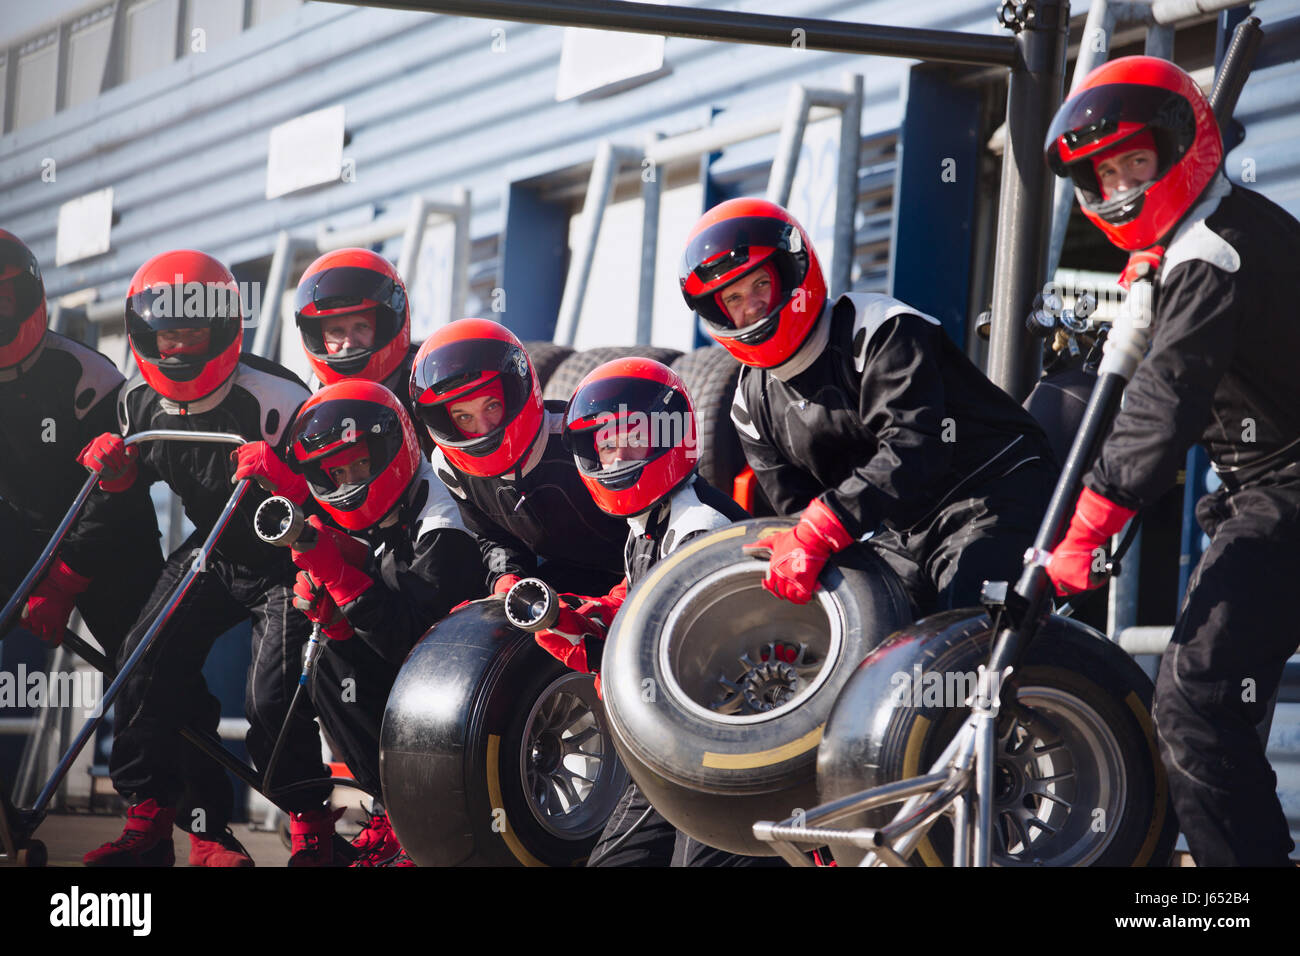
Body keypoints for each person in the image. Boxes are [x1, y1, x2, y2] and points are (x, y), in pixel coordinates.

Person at [1043, 56, 1300, 866]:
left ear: (1179, 148)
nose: (1119, 183)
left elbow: (1167, 402)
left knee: (1194, 702)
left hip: (1287, 488)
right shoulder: (1213, 233)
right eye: (1105, 172)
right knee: (1220, 701)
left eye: (1135, 163)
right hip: (1265, 487)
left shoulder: (1209, 253)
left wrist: (1090, 518)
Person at [74, 249, 337, 867]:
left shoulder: (279, 397)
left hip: (287, 554)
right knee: (139, 659)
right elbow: (123, 499)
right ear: (145, 335)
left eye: (193, 330)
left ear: (223, 329)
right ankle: (165, 824)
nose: (180, 346)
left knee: (273, 696)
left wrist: (289, 480)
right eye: (167, 333)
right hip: (214, 550)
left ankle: (311, 828)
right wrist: (113, 476)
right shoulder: (135, 404)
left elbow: (338, 494)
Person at [679, 198, 1056, 616]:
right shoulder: (749, 404)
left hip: (993, 490)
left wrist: (824, 525)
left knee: (964, 629)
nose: (751, 307)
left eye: (760, 286)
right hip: (901, 532)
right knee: (871, 637)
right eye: (733, 298)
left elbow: (916, 448)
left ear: (789, 274)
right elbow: (798, 519)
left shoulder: (879, 327)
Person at [535, 356, 778, 867]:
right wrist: (585, 617)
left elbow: (685, 652)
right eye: (604, 442)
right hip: (674, 742)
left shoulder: (701, 525)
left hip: (727, 742)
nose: (616, 454)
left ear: (671, 434)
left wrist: (604, 643)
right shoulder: (649, 520)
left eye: (630, 437)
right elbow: (637, 595)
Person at [281, 379, 485, 866]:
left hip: (475, 687)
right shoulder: (390, 507)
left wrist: (339, 577)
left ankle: (418, 820)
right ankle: (393, 810)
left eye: (361, 464)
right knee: (329, 661)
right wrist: (335, 618)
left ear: (392, 447)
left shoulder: (443, 521)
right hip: (435, 672)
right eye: (338, 472)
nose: (350, 480)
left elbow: (415, 648)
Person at [1, 230, 163, 658]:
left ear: (25, 294)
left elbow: (119, 494)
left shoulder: (87, 374)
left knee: (149, 671)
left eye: (1, 298)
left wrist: (62, 581)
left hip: (109, 540)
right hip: (23, 534)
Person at [408, 318, 627, 600]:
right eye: (465, 417)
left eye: (492, 405)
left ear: (515, 392)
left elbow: (650, 529)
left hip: (636, 577)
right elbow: (495, 536)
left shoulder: (587, 439)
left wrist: (617, 600)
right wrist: (506, 578)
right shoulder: (448, 467)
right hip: (560, 582)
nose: (483, 427)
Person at [292, 247, 433, 456]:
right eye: (336, 331)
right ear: (317, 336)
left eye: (361, 327)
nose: (349, 343)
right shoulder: (309, 401)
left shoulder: (426, 377)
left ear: (385, 324)